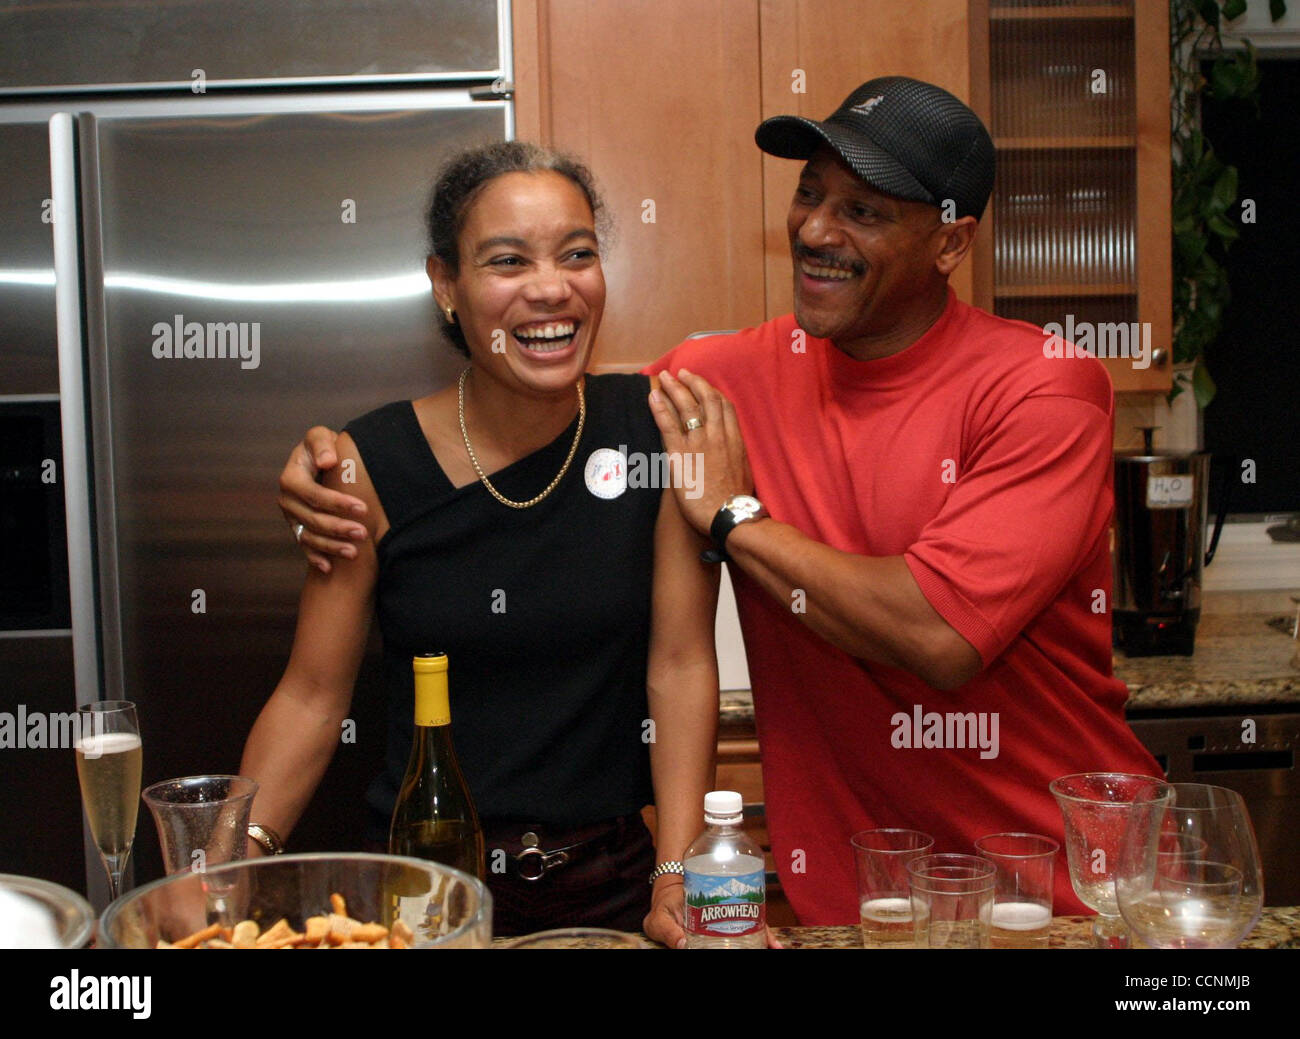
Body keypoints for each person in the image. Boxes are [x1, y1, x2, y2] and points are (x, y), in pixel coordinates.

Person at [280, 78, 1163, 924]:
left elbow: (939, 635)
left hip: (1058, 893)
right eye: (810, 194)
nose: (817, 229)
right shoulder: (727, 381)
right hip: (865, 902)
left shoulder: (1043, 387)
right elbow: (545, 390)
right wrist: (334, 461)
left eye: (863, 211)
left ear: (950, 241)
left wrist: (736, 517)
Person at [242, 141, 721, 944]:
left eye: (578, 253)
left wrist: (677, 875)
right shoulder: (366, 463)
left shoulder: (654, 431)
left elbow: (679, 664)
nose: (550, 288)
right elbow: (311, 697)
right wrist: (229, 861)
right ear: (447, 286)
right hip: (423, 891)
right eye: (507, 261)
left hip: (610, 888)